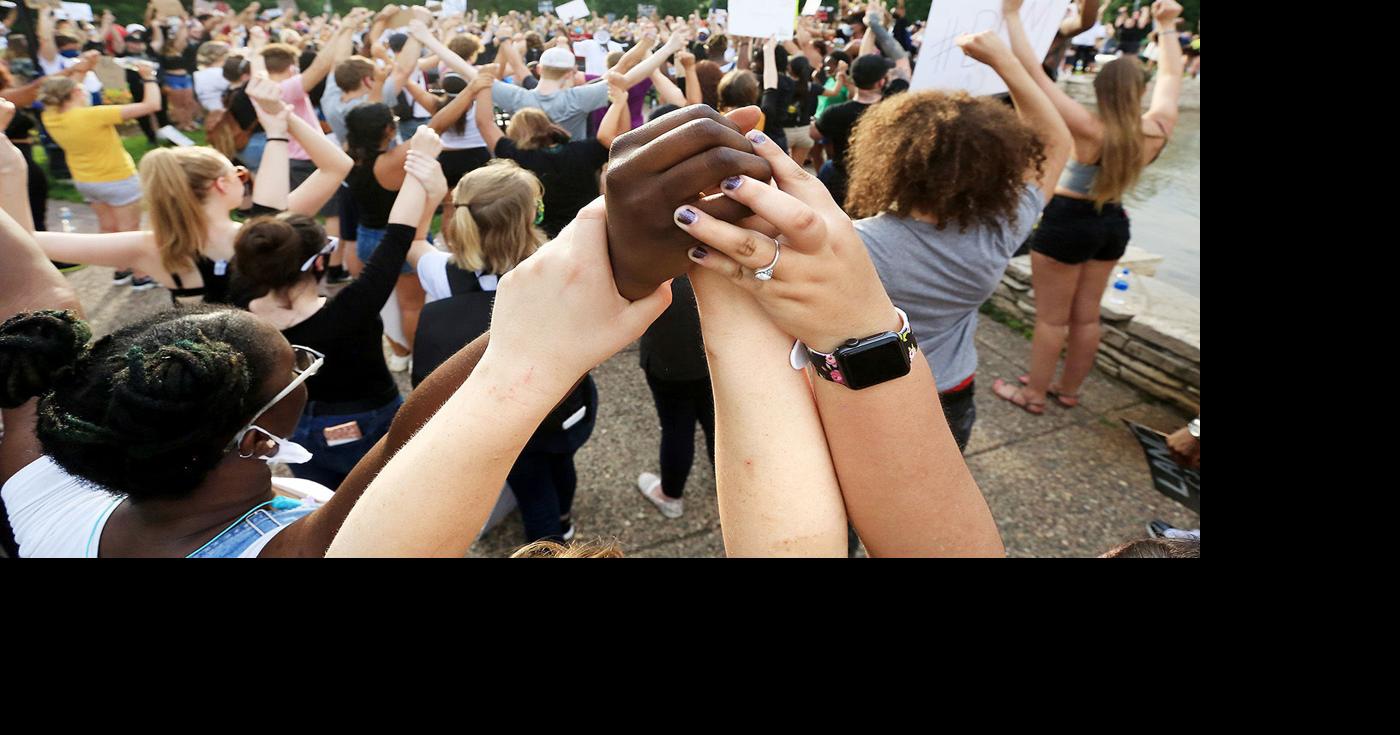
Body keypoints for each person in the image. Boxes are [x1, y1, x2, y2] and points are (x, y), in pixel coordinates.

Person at [845, 30, 1071, 451]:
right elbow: (1056, 142)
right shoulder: (1000, 228)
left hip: (875, 396)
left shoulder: (857, 243)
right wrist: (1004, 61)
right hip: (952, 392)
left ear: (888, 160)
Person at [993, 0, 1185, 415]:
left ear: (1100, 88)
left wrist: (1010, 17)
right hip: (1113, 223)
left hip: (1068, 224)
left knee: (1051, 319)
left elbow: (1031, 74)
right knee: (1087, 316)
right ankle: (1068, 389)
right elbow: (1172, 75)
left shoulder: (1086, 127)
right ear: (1140, 90)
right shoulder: (1157, 128)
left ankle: (1033, 394)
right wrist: (1166, 26)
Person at [233, 127, 446, 490]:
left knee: (327, 508)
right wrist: (420, 160)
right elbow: (397, 235)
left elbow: (263, 226)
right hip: (369, 420)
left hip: (294, 426)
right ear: (317, 264)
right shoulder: (351, 309)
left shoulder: (238, 306)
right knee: (383, 493)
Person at [35, 76, 350, 305]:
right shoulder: (268, 230)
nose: (244, 178)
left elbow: (32, 240)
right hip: (267, 371)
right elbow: (336, 166)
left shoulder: (153, 247)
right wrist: (284, 118)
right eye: (238, 173)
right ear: (220, 184)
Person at [38, 68, 161, 290]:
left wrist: (83, 67)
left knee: (108, 227)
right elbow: (152, 106)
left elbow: (64, 88)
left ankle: (121, 269)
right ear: (76, 92)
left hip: (86, 181)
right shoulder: (93, 115)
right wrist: (148, 77)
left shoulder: (50, 116)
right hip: (117, 179)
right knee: (130, 229)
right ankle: (142, 275)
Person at [472, 70, 632, 239]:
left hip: (538, 239)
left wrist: (484, 84)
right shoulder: (583, 151)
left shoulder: (515, 155)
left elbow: (484, 123)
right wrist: (619, 103)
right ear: (549, 125)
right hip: (585, 233)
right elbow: (618, 139)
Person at [812, 53, 891, 209]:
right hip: (874, 181)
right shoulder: (891, 111)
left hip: (839, 176)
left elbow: (814, 134)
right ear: (881, 82)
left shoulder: (835, 113)